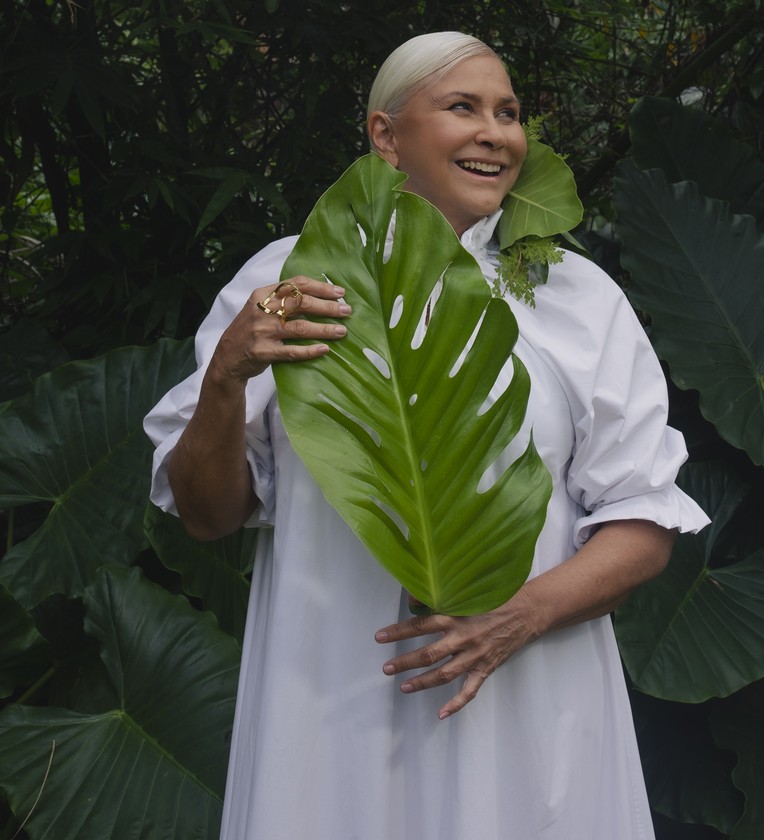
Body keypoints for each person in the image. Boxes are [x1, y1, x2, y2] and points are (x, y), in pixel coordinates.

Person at [145, 31, 709, 840]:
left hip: (527, 701)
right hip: (330, 705)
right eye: (463, 107)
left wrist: (515, 617)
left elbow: (644, 521)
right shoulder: (287, 281)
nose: (496, 132)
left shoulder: (574, 295)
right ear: (385, 135)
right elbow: (207, 514)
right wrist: (225, 377)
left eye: (509, 113)